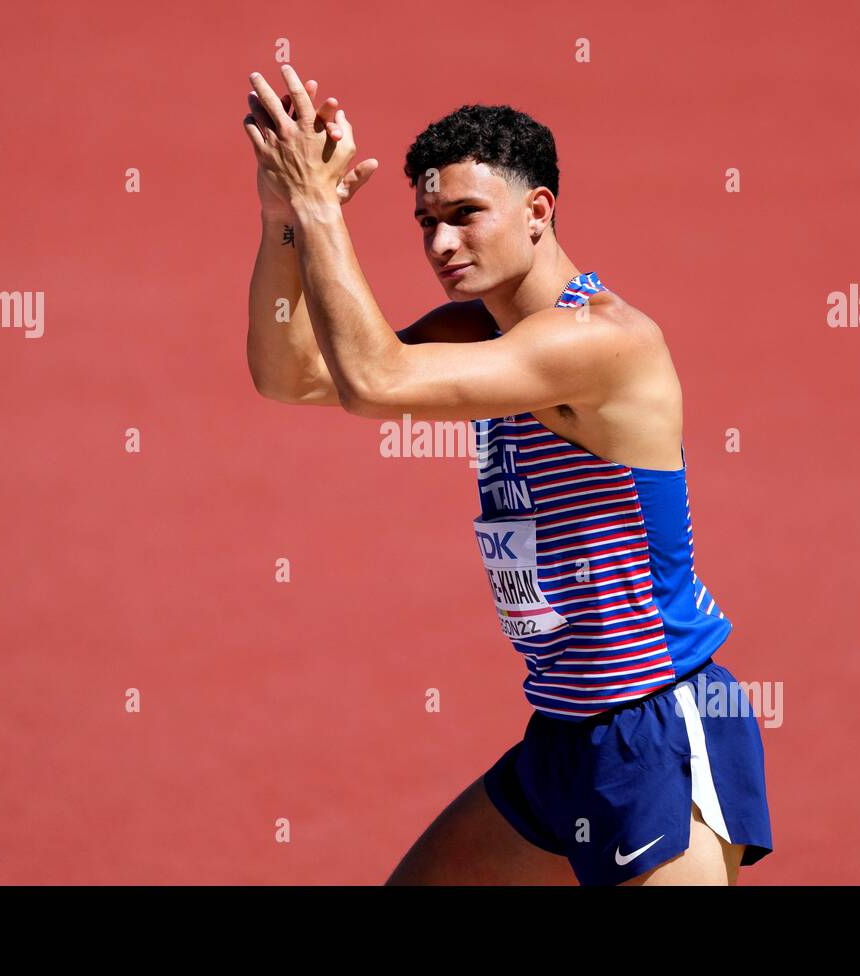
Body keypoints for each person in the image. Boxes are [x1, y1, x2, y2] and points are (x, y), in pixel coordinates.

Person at [243, 64, 773, 886]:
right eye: (424, 222)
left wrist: (321, 211)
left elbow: (376, 381)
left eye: (464, 215)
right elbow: (293, 374)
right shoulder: (480, 335)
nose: (440, 244)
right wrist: (284, 219)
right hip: (563, 732)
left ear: (538, 211)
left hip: (658, 724)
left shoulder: (601, 342)